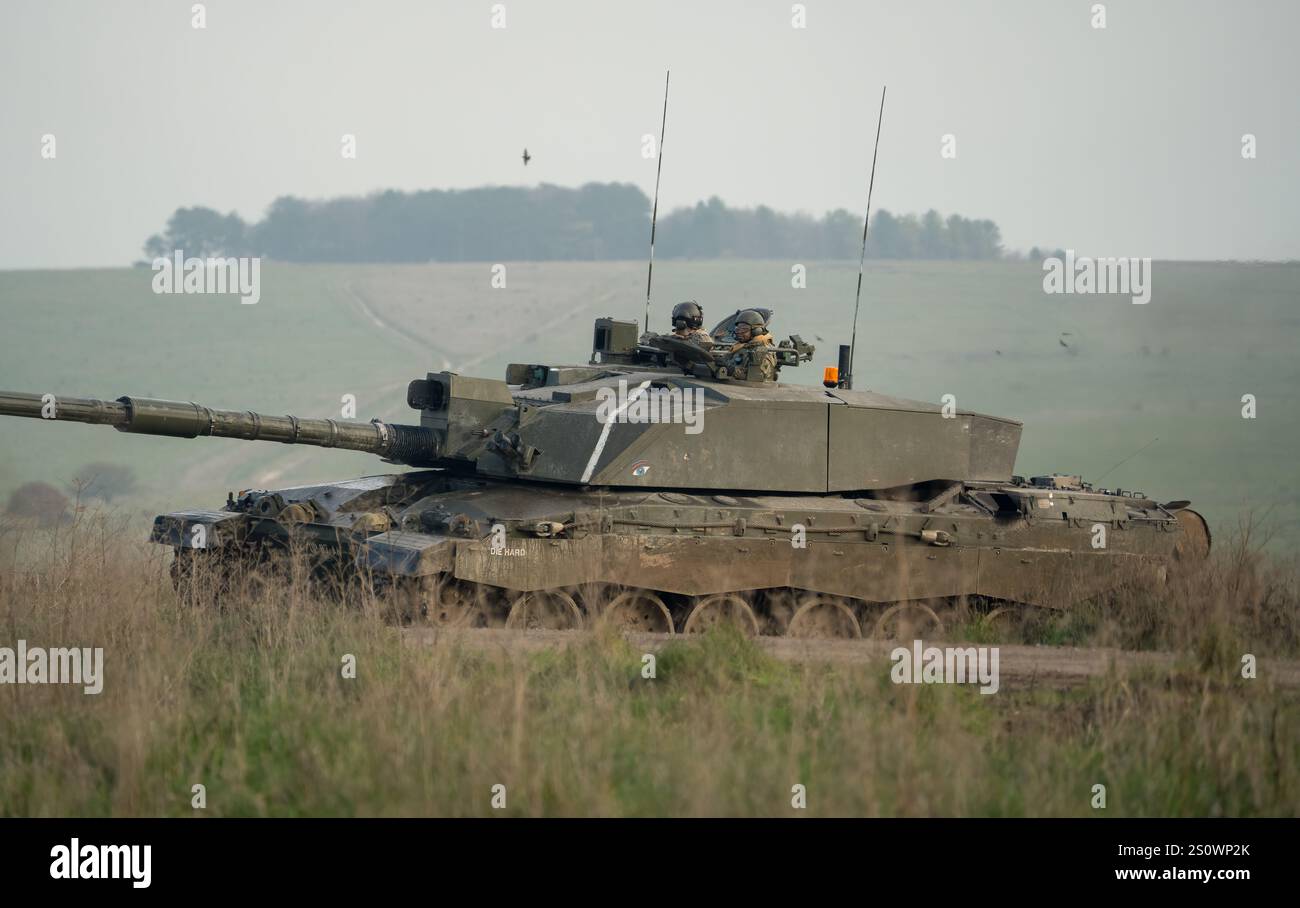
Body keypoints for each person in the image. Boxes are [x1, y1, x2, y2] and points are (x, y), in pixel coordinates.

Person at [727, 309, 777, 381]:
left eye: (744, 329)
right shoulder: (741, 346)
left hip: (755, 388)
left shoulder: (764, 351)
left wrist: (732, 371)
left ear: (756, 331)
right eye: (737, 329)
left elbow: (758, 375)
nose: (739, 332)